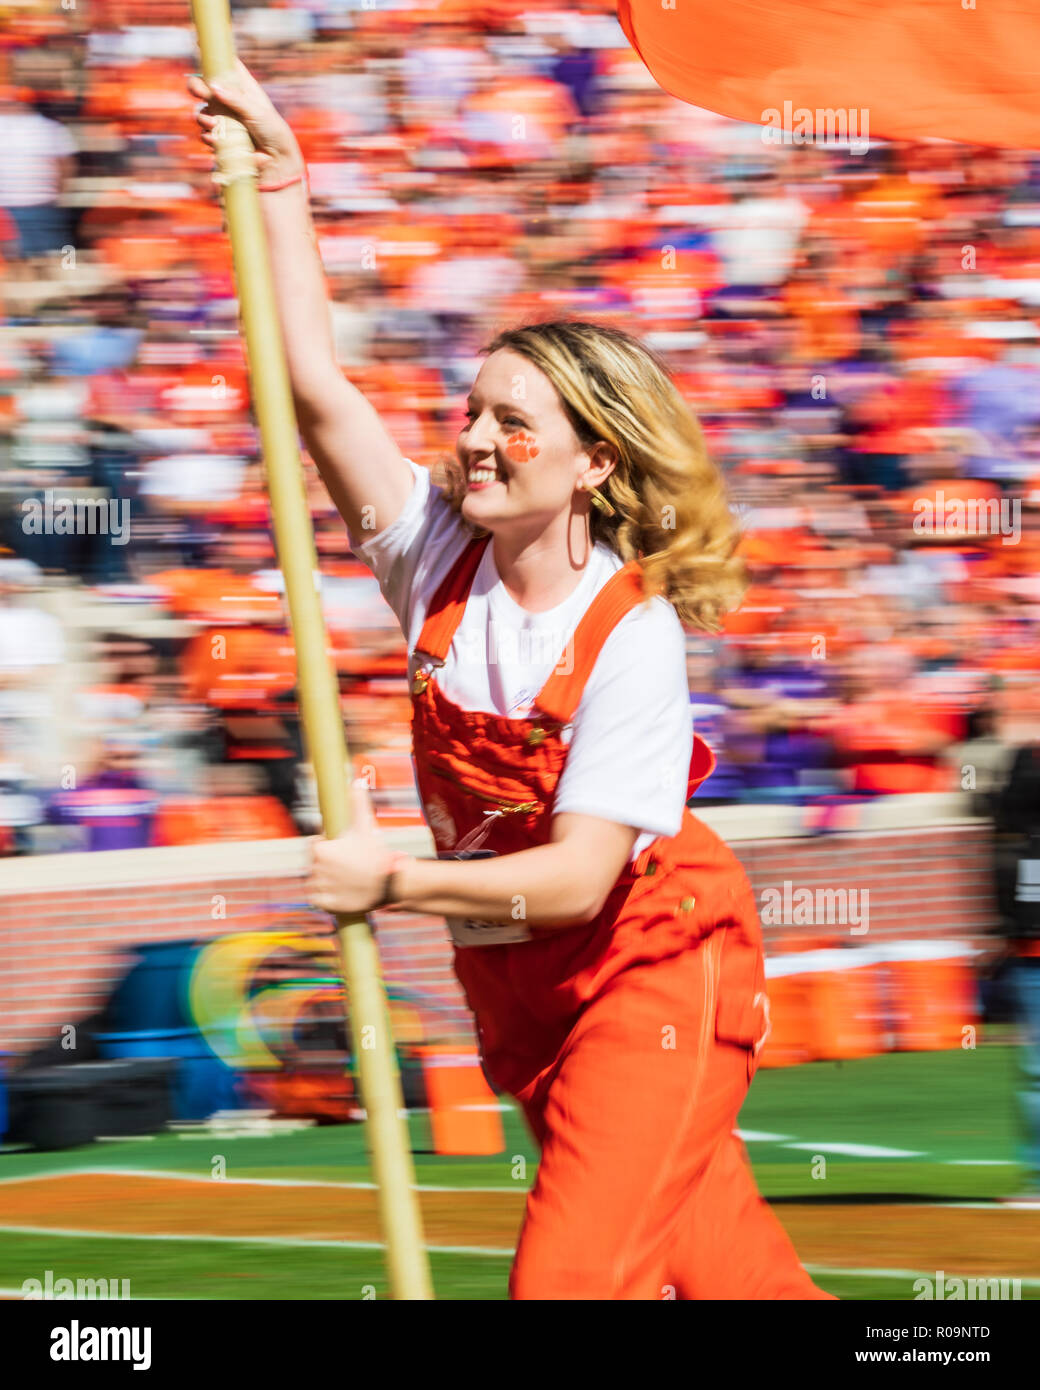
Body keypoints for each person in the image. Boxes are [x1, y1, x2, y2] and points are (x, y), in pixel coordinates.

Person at [188, 61, 833, 1300]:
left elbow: (581, 875)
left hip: (652, 974)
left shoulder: (631, 636)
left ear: (592, 463)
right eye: (472, 411)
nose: (474, 439)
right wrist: (277, 178)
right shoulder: (435, 553)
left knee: (567, 1283)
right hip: (520, 986)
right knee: (732, 1282)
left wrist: (393, 879)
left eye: (513, 424)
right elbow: (313, 387)